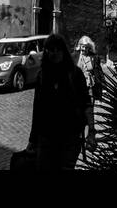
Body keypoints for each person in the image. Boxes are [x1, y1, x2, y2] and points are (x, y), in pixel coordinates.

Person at [25, 34, 96, 171]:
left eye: (58, 49)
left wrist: (91, 132)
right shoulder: (42, 76)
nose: (54, 53)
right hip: (47, 137)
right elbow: (38, 109)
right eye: (51, 50)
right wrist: (32, 140)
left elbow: (86, 103)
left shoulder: (75, 74)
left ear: (63, 51)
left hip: (70, 137)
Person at [75, 35, 99, 99]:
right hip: (77, 85)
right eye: (83, 47)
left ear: (89, 48)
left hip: (90, 85)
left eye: (87, 47)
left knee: (90, 105)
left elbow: (98, 72)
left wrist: (101, 86)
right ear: (79, 46)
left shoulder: (94, 57)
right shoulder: (74, 57)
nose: (85, 49)